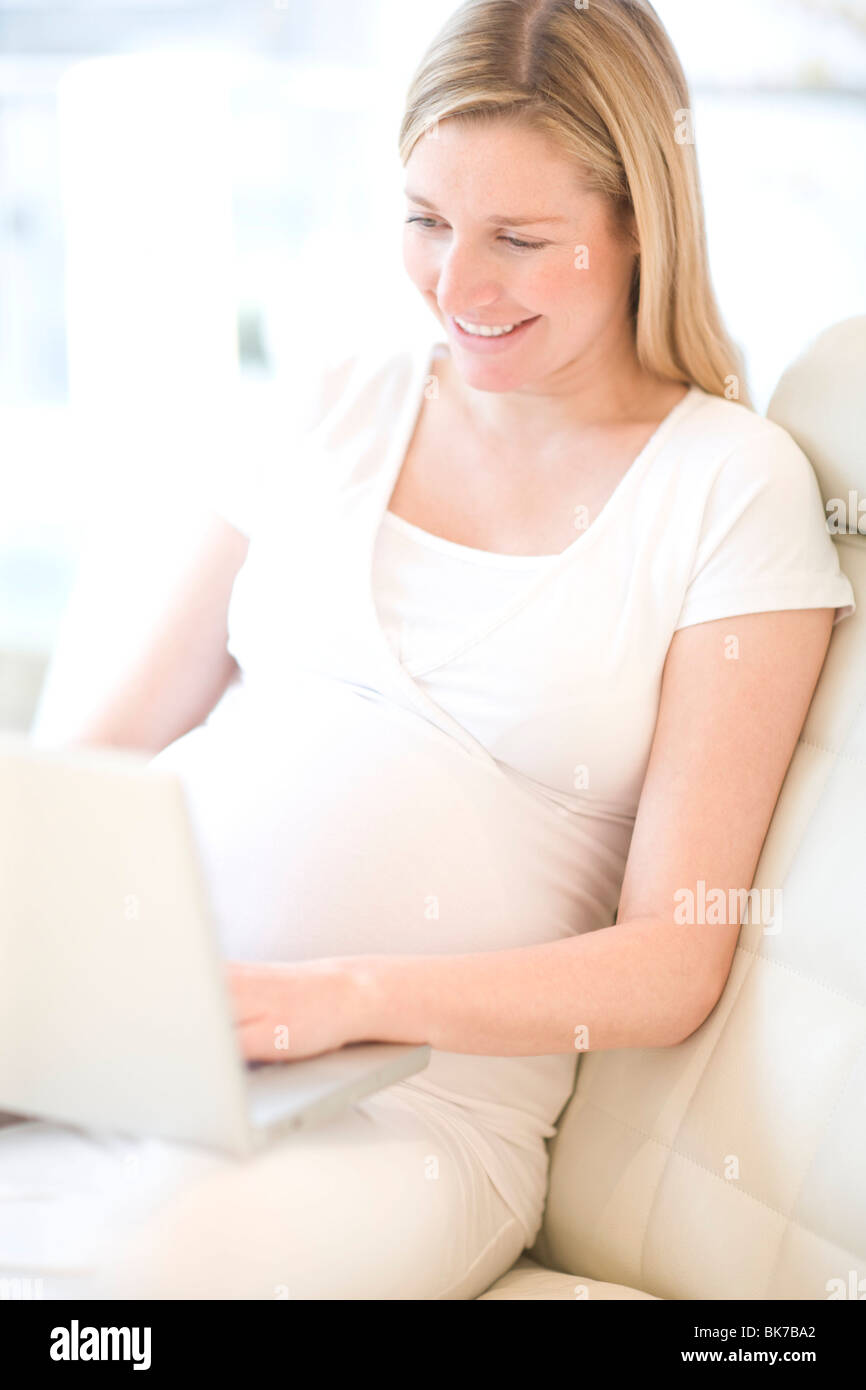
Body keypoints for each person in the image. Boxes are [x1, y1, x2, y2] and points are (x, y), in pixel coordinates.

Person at [0, 0, 855, 1301]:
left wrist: (341, 999)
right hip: (147, 1046)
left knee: (145, 1267)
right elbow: (80, 769)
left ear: (639, 226)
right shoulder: (336, 399)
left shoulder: (726, 489)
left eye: (519, 239)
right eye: (425, 220)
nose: (456, 287)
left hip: (405, 1108)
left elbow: (672, 959)